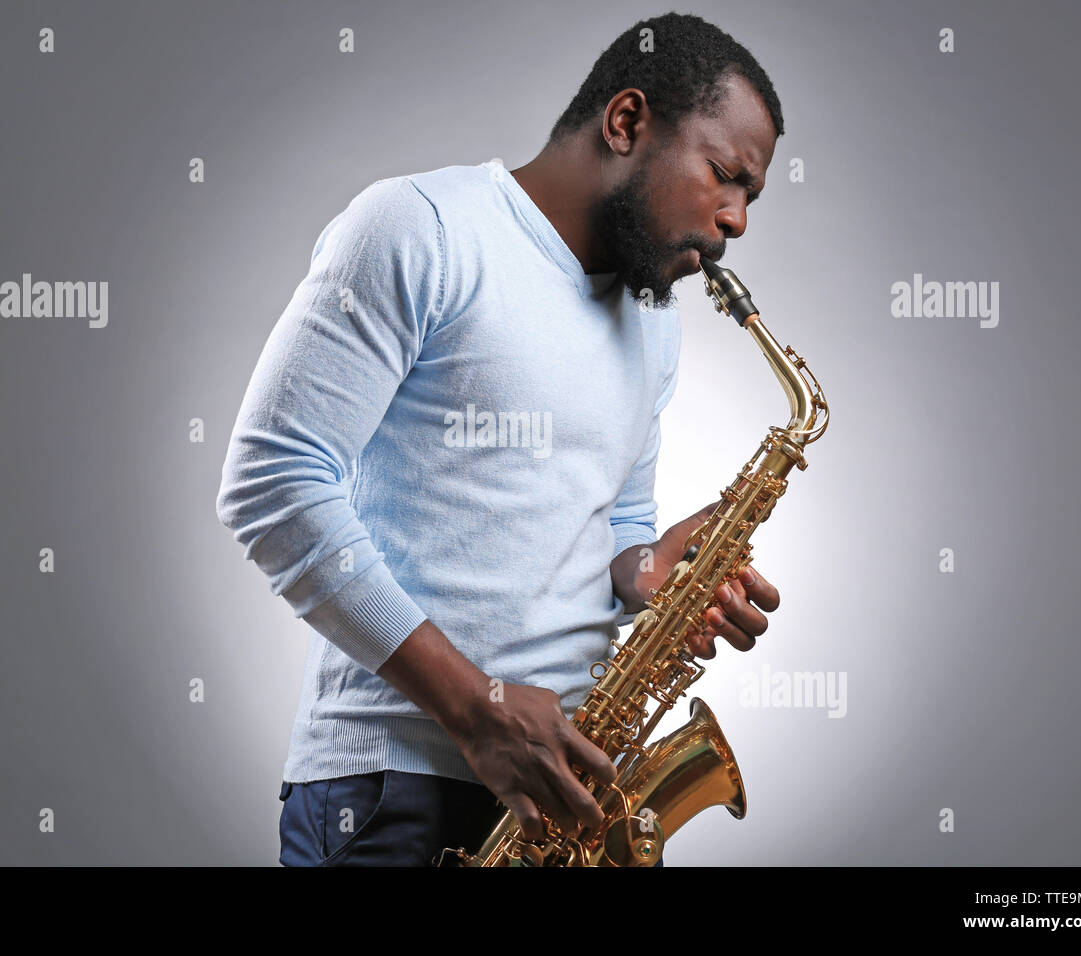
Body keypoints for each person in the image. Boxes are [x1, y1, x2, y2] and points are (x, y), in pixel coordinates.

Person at [215, 12, 785, 867]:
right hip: (390, 791)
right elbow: (273, 483)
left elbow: (620, 520)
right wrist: (475, 708)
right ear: (626, 123)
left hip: (565, 796)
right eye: (725, 175)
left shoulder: (653, 322)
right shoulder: (421, 228)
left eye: (750, 195)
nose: (736, 220)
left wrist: (653, 570)